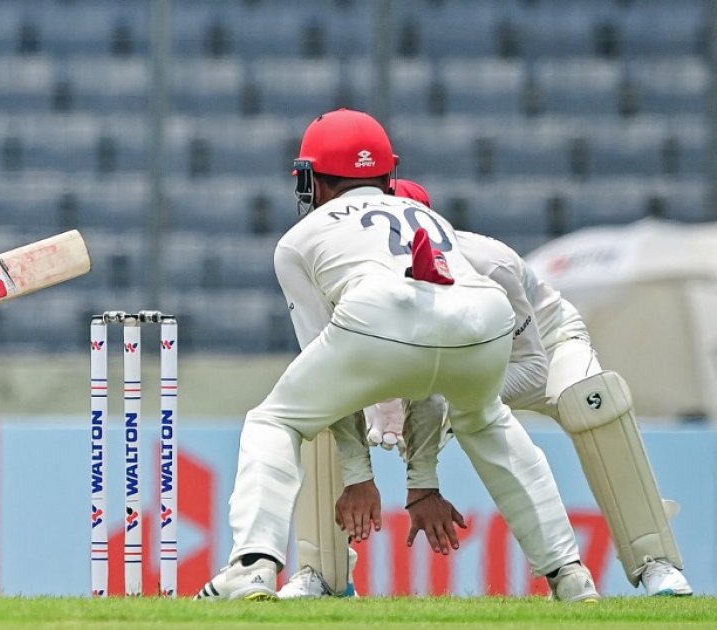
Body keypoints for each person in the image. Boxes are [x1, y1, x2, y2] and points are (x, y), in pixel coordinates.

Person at [194, 109, 598, 603]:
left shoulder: (298, 241)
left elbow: (331, 382)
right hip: (483, 318)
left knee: (273, 421)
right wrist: (421, 482)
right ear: (390, 175)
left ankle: (253, 566)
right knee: (487, 422)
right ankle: (570, 573)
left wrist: (359, 477)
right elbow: (428, 367)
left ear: (310, 180)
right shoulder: (429, 216)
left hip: (378, 314)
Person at [281, 179, 692, 598]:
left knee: (590, 400)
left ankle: (652, 560)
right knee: (318, 409)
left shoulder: (489, 263)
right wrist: (393, 444)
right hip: (438, 361)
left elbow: (532, 369)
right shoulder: (355, 273)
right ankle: (321, 572)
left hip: (543, 350)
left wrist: (452, 408)